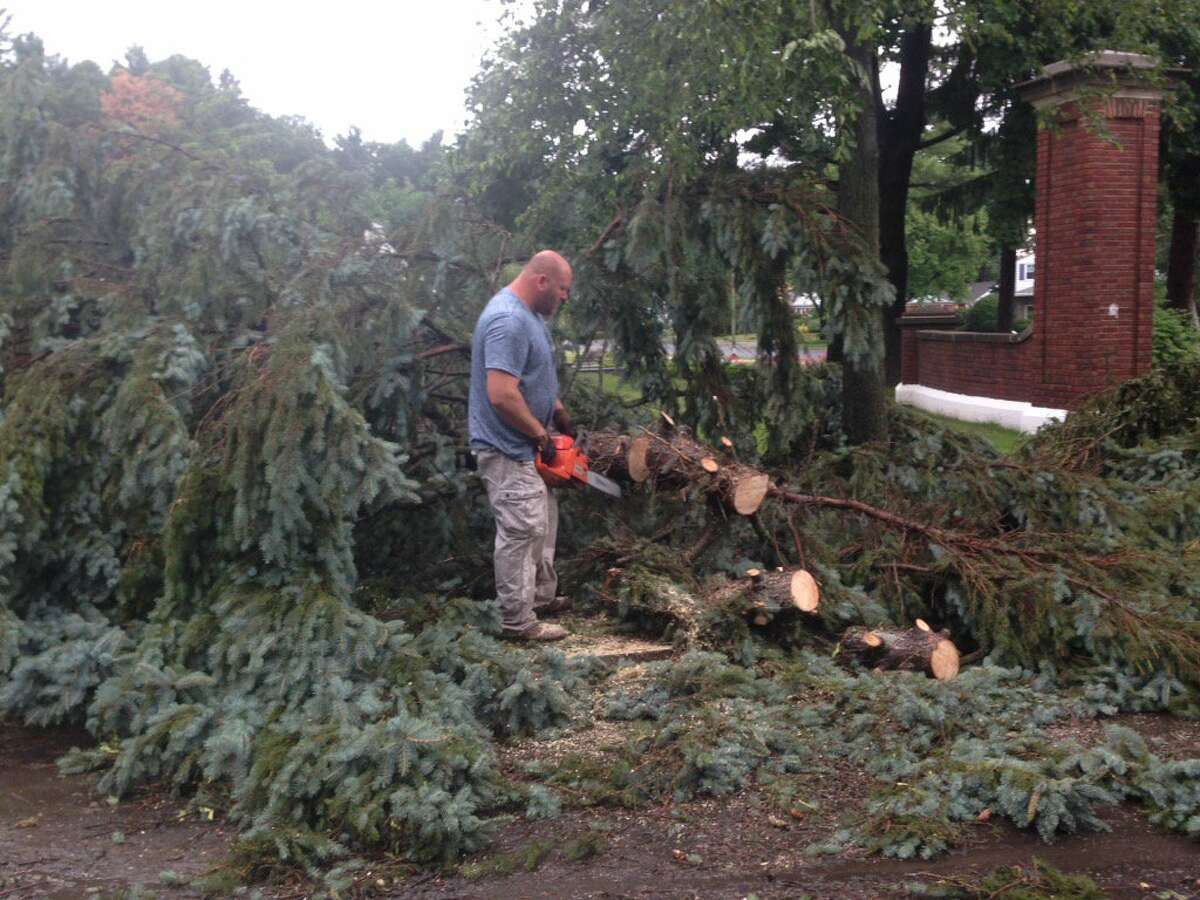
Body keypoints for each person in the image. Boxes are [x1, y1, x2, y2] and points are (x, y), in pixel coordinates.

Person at [468, 250, 577, 641]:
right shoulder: (507, 320)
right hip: (507, 447)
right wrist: (540, 435)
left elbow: (532, 375)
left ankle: (539, 599)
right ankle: (517, 621)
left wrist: (558, 412)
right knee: (521, 529)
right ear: (541, 281)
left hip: (528, 443)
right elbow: (501, 393)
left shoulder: (531, 317)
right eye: (563, 289)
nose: (565, 297)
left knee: (542, 523)